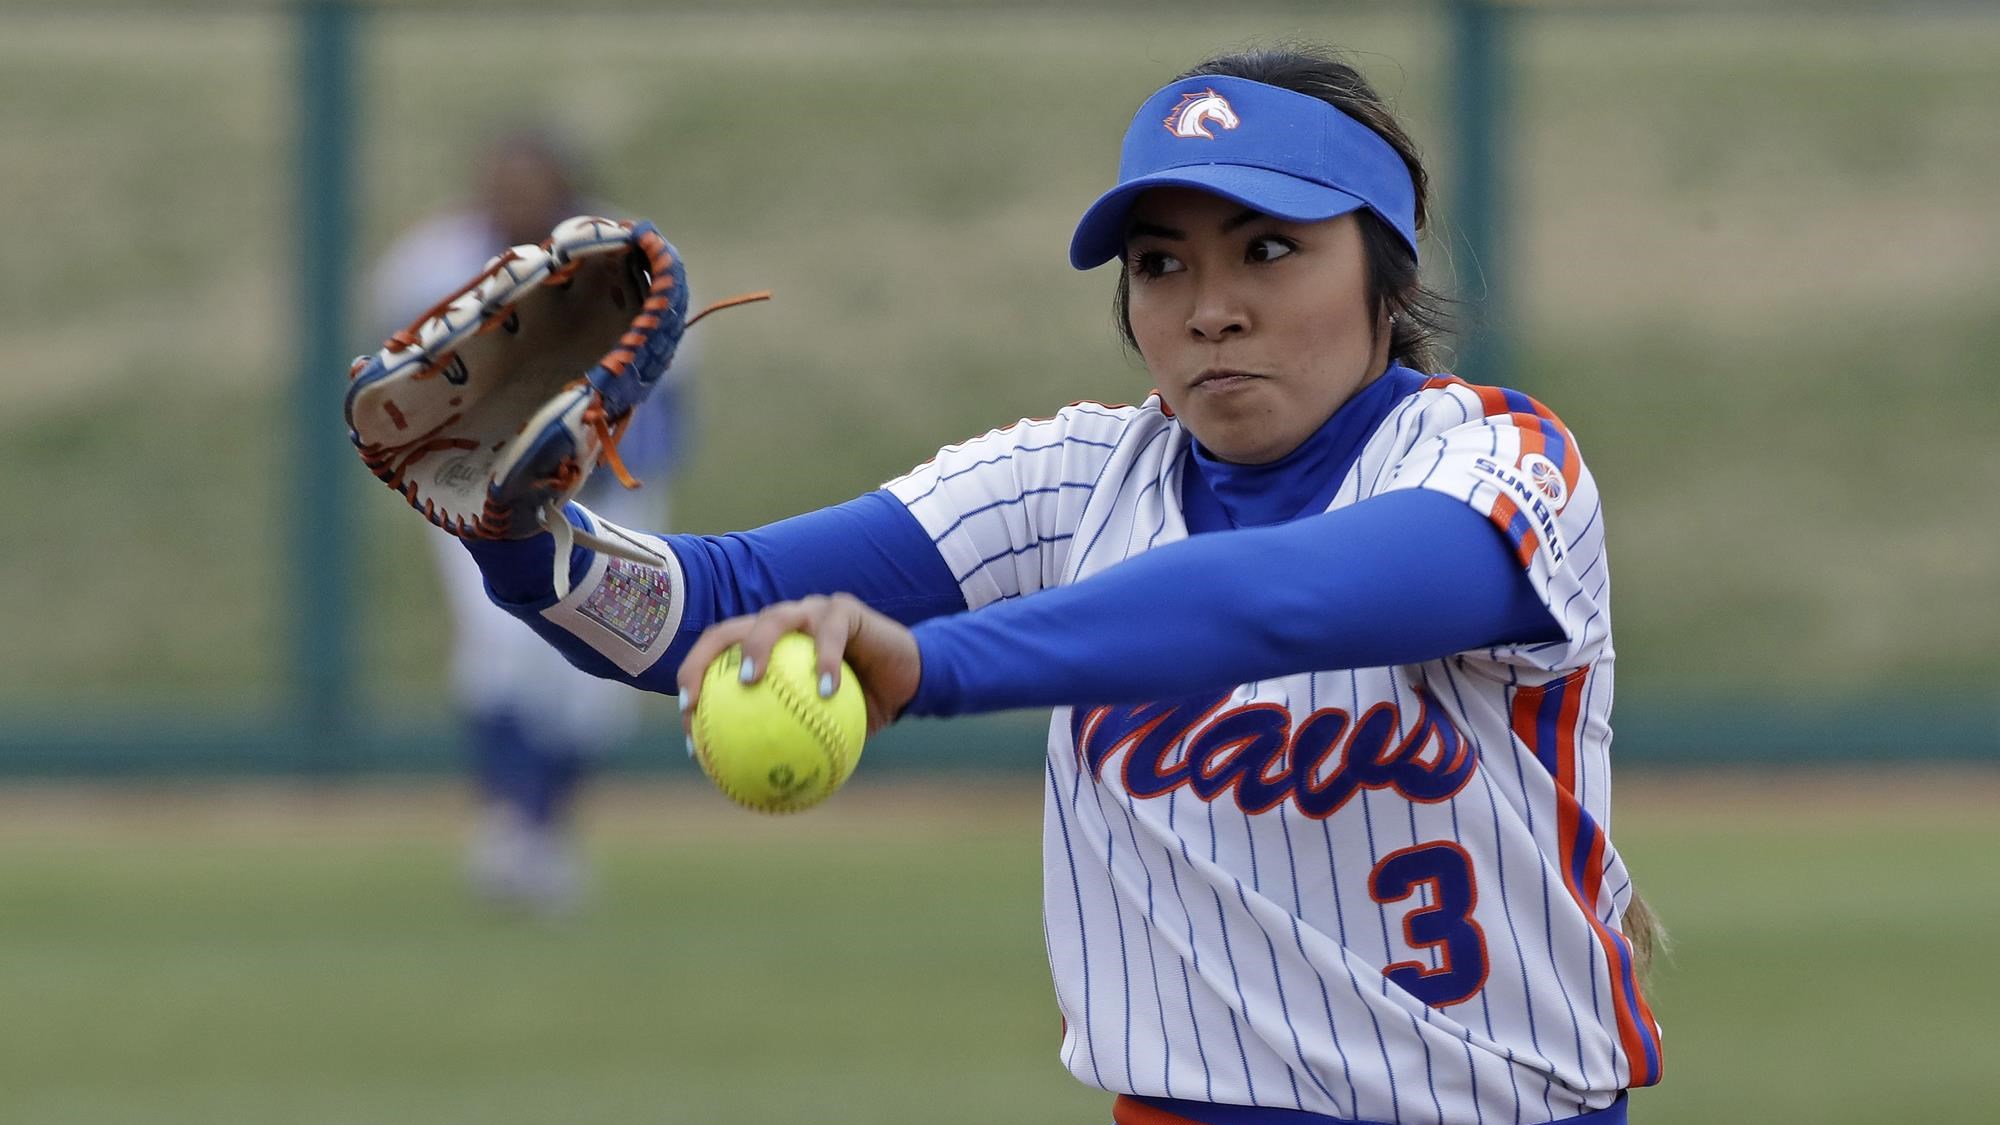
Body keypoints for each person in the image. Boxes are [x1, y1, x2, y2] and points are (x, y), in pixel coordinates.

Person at [444, 45, 1663, 1123]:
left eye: (1271, 250)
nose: (1212, 308)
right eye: (1160, 263)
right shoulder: (1072, 479)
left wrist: (931, 663)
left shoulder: (1497, 466)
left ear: (1386, 284)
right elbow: (707, 607)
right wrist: (519, 543)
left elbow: (1275, 600)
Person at [367, 126, 694, 916]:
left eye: (532, 180)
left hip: (608, 492)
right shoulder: (430, 261)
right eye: (501, 179)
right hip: (473, 491)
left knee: (600, 686)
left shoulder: (632, 252)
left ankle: (543, 828)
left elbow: (675, 395)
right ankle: (511, 825)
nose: (514, 194)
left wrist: (610, 477)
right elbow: (384, 388)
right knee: (502, 646)